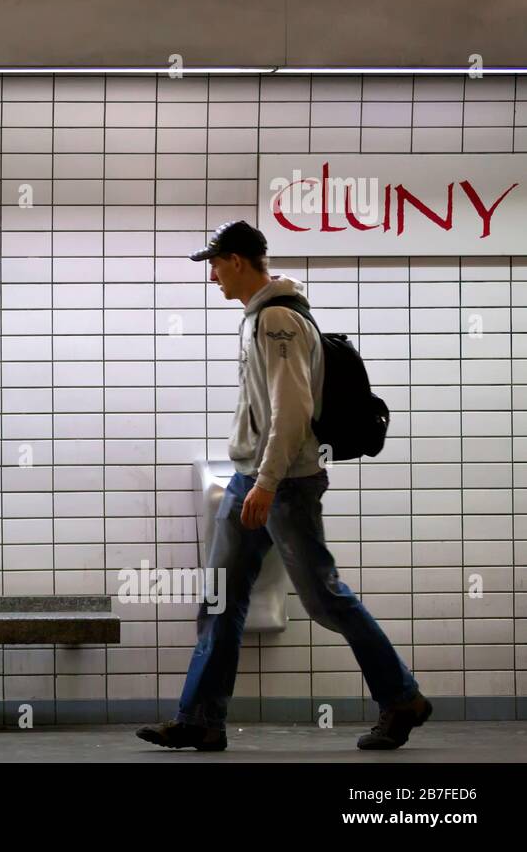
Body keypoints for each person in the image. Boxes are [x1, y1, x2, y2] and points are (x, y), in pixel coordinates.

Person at [137, 220, 431, 751]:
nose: (212, 277)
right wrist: (256, 478)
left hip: (286, 484)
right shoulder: (260, 317)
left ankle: (401, 697)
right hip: (252, 477)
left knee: (325, 600)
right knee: (220, 597)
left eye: (215, 264)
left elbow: (291, 408)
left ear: (239, 260)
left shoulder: (277, 319)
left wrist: (268, 483)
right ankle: (201, 718)